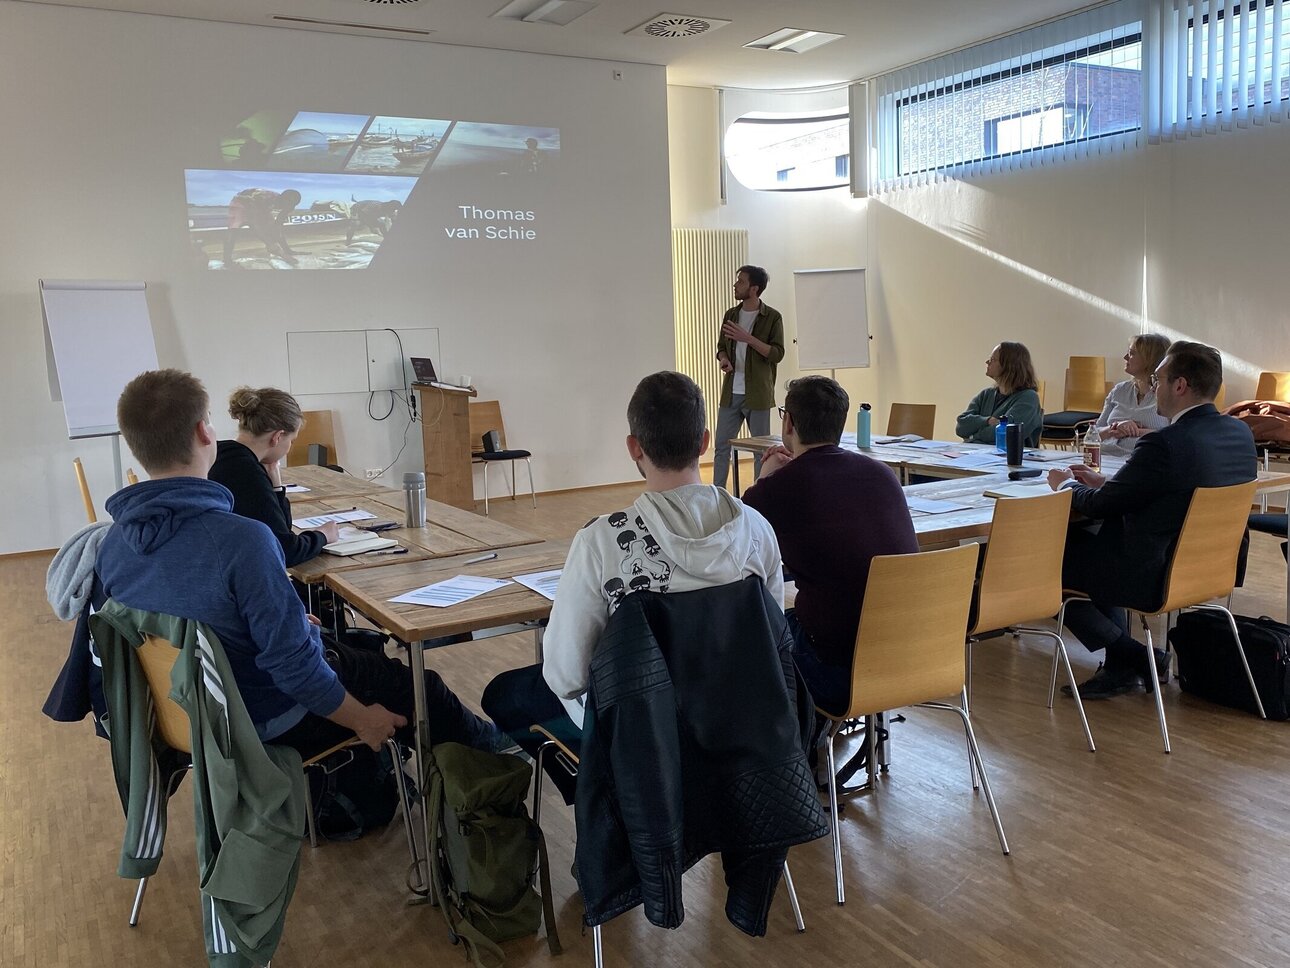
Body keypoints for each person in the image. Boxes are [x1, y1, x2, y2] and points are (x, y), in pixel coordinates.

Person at [96, 369, 505, 758]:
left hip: (186, 715)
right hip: (261, 715)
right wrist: (362, 719)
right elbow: (293, 670)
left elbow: (190, 610)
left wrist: (282, 619)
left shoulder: (111, 545)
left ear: (135, 444)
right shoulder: (241, 540)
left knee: (343, 645)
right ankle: (483, 758)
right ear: (205, 431)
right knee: (419, 686)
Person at [481, 371, 783, 799]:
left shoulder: (600, 543)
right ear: (704, 441)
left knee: (505, 694)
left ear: (633, 448)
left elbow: (567, 676)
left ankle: (615, 805)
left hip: (646, 744)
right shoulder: (758, 530)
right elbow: (770, 642)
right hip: (743, 734)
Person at [1047, 341, 1257, 699]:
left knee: (1043, 562)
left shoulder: (1166, 444)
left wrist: (1064, 482)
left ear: (1180, 386)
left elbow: (1098, 506)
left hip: (1153, 572)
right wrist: (1110, 482)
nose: (1154, 387)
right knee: (1089, 549)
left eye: (1158, 379)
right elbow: (1162, 488)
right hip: (1211, 566)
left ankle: (1133, 657)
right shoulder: (1238, 433)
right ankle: (1123, 663)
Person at [742, 375, 918, 713]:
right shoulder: (882, 475)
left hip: (837, 667)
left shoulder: (780, 487)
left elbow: (741, 537)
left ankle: (792, 753)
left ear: (788, 422)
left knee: (754, 638)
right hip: (910, 654)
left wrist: (765, 478)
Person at [207, 386, 339, 568]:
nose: (289, 447)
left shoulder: (221, 453)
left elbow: (282, 530)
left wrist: (275, 484)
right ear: (277, 437)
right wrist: (323, 536)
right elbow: (286, 551)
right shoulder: (246, 473)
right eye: (291, 440)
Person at [712, 265, 785, 489]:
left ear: (754, 289)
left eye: (741, 282)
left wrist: (748, 339)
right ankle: (718, 495)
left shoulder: (772, 317)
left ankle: (759, 496)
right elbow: (721, 347)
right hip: (732, 391)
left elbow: (777, 353)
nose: (735, 285)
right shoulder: (731, 314)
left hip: (758, 394)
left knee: (760, 451)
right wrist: (724, 359)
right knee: (722, 447)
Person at [1093, 333, 1172, 457]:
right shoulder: (1120, 390)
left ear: (1149, 359)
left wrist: (1137, 431)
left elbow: (1175, 437)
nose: (1125, 357)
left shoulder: (1169, 394)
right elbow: (1093, 434)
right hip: (1106, 456)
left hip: (1142, 460)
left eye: (1132, 353)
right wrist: (1115, 428)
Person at [956, 342, 1044, 447]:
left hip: (1011, 460)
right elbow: (961, 426)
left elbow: (1007, 433)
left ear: (1009, 365)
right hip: (978, 455)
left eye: (993, 359)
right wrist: (988, 421)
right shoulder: (985, 394)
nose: (987, 362)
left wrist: (972, 437)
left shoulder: (1028, 397)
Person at [223, 188, 301, 267]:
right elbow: (255, 226)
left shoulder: (290, 205)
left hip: (262, 206)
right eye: (285, 204)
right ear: (281, 198)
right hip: (241, 202)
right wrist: (278, 251)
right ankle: (227, 261)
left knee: (272, 226)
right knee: (234, 229)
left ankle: (285, 250)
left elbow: (278, 226)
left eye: (290, 205)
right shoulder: (262, 198)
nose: (288, 207)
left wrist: (286, 250)